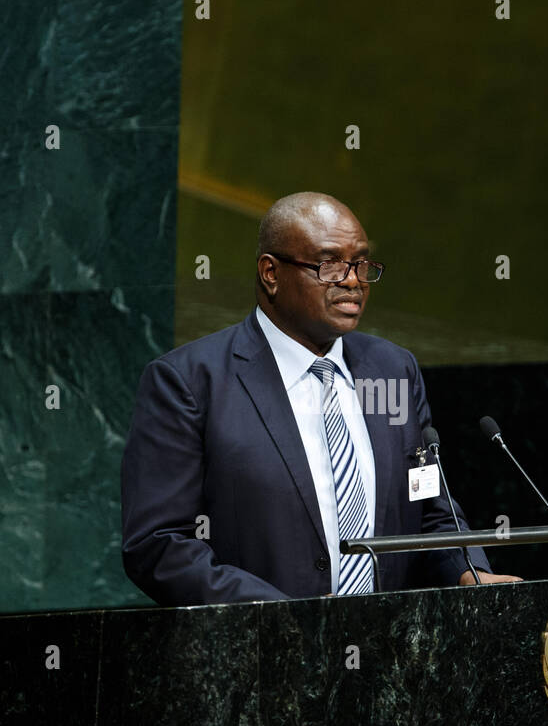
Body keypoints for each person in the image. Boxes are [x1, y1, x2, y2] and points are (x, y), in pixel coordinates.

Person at [121, 192, 520, 606]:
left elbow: (430, 509)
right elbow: (159, 545)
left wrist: (468, 573)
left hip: (390, 654)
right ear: (271, 273)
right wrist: (288, 616)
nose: (353, 280)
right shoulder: (189, 382)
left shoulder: (390, 370)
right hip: (259, 655)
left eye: (362, 263)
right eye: (330, 265)